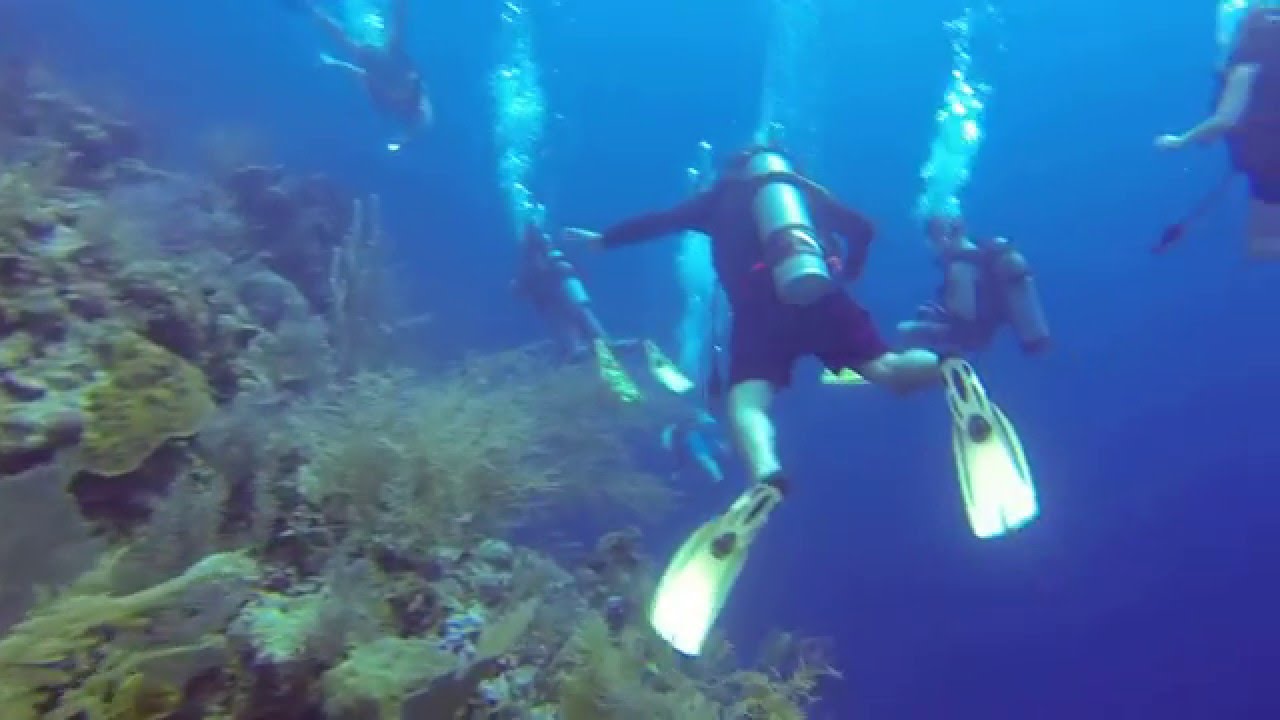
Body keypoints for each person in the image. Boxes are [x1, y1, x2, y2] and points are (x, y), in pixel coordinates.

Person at [562, 144, 941, 493]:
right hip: (822, 296)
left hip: (760, 311)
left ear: (734, 168)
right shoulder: (803, 192)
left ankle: (767, 472)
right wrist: (853, 268)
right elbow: (864, 229)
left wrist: (604, 239)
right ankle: (946, 366)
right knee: (888, 367)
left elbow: (660, 222)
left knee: (748, 405)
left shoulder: (719, 197)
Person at [1155, 1, 1280, 257]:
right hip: (1268, 150)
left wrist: (1180, 141)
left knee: (1262, 245)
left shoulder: (1247, 64)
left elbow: (1226, 119)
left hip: (1268, 159)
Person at [900, 215, 1050, 356]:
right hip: (985, 324)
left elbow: (964, 321)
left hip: (975, 334)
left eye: (932, 242)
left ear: (941, 238)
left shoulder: (960, 265)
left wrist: (928, 327)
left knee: (904, 329)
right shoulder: (978, 251)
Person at [291, 0, 433, 150]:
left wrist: (332, 63)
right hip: (392, 65)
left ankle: (311, 9)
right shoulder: (413, 100)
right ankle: (312, 9)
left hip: (384, 67)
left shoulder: (383, 96)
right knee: (389, 34)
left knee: (348, 42)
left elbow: (357, 73)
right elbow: (425, 120)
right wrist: (403, 140)